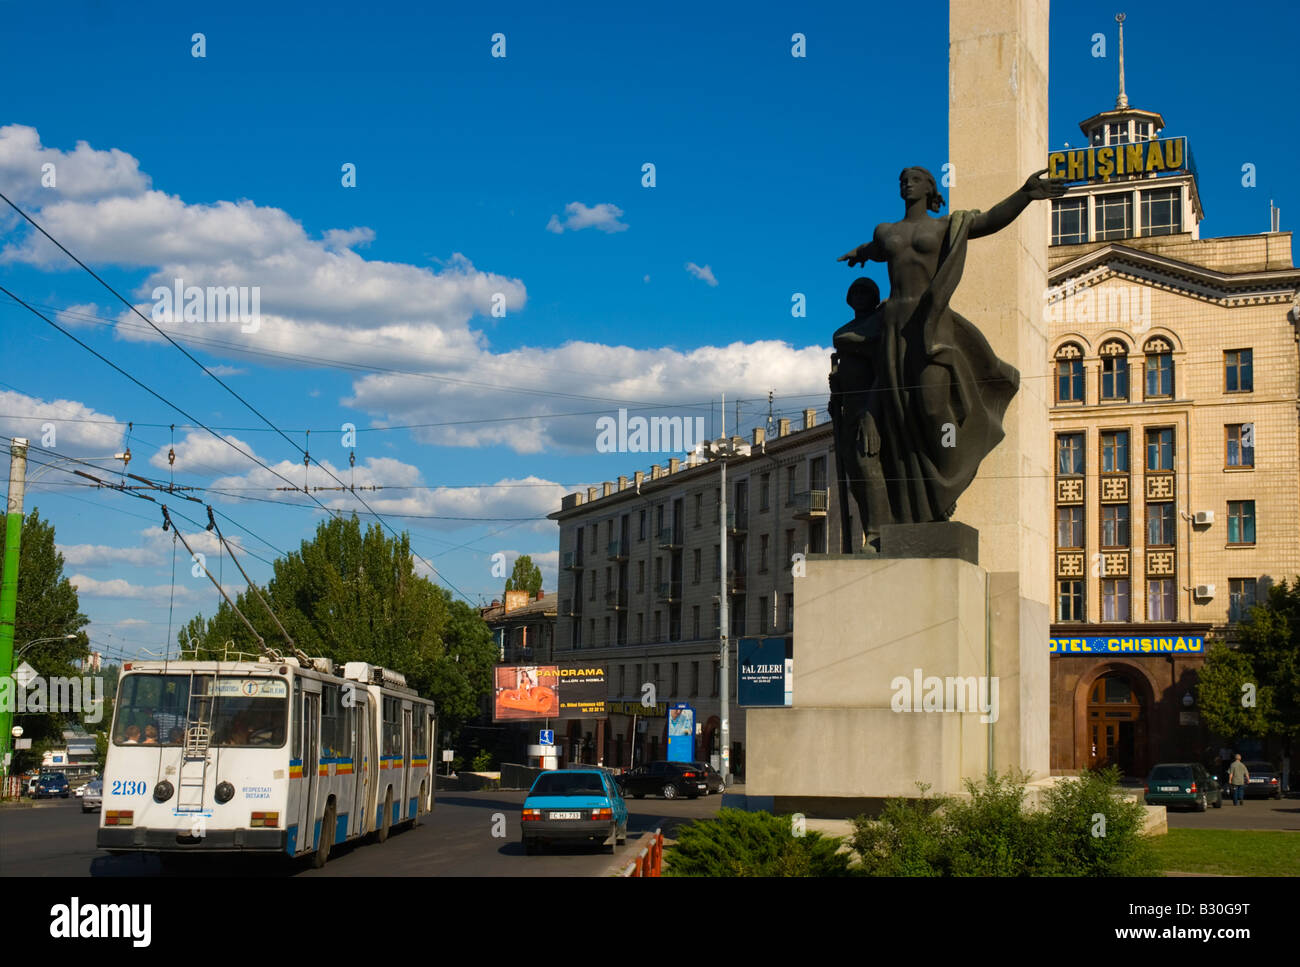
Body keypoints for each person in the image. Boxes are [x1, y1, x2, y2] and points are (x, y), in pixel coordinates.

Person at [838, 166, 1066, 524]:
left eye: (916, 178)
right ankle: (914, 501)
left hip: (931, 324)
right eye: (902, 179)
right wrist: (860, 252)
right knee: (901, 412)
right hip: (894, 326)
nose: (907, 182)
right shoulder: (886, 231)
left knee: (932, 407)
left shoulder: (946, 225)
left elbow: (989, 220)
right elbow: (876, 249)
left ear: (931, 188)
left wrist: (1025, 194)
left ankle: (947, 480)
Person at [832, 277, 891, 551]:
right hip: (848, 410)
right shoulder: (853, 330)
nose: (859, 296)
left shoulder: (877, 326)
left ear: (875, 297)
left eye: (865, 291)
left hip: (872, 407)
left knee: (868, 468)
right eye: (855, 291)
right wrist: (837, 391)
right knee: (855, 476)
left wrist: (870, 416)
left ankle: (880, 534)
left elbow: (881, 373)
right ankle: (871, 531)